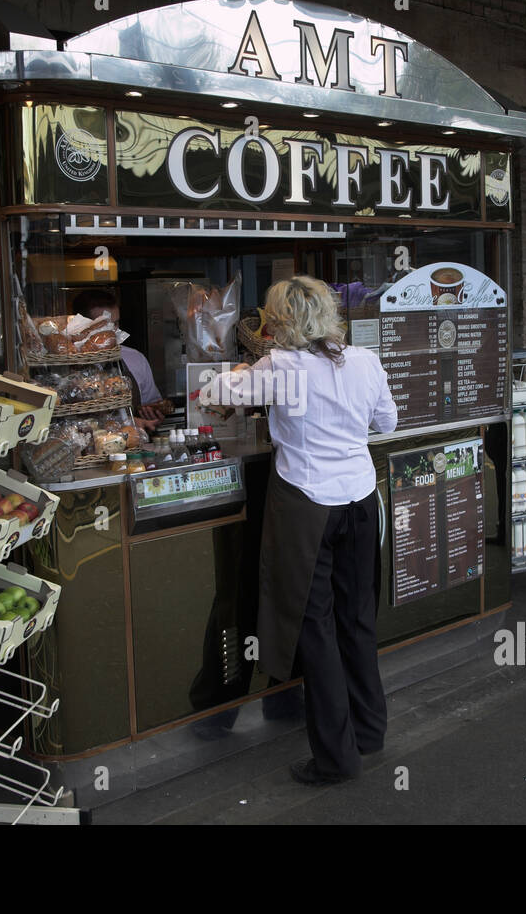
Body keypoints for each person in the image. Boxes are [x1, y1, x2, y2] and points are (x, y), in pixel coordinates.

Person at [205, 276, 398, 785]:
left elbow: (214, 391)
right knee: (357, 620)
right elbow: (387, 423)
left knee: (314, 629)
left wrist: (244, 367)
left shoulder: (281, 367)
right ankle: (370, 730)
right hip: (360, 501)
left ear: (278, 322)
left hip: (307, 507)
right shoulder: (364, 360)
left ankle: (335, 758)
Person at [72, 288, 167, 433]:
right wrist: (124, 423)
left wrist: (153, 415)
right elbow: (64, 421)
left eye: (115, 323)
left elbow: (151, 403)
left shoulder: (135, 359)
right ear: (81, 326)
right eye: (104, 325)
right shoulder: (66, 365)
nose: (113, 331)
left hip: (133, 449)